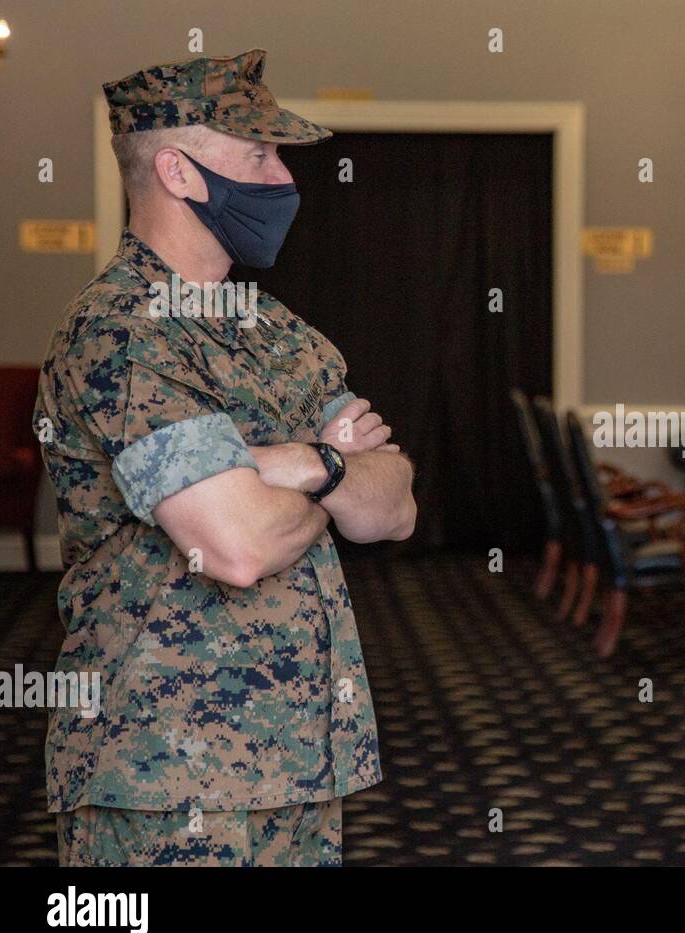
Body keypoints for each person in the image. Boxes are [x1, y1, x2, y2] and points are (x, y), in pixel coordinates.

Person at [34, 49, 416, 866]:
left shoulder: (273, 329)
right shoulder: (120, 332)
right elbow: (239, 547)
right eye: (258, 154)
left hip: (302, 758)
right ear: (177, 171)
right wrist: (330, 462)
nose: (282, 178)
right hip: (163, 775)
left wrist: (304, 465)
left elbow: (395, 507)